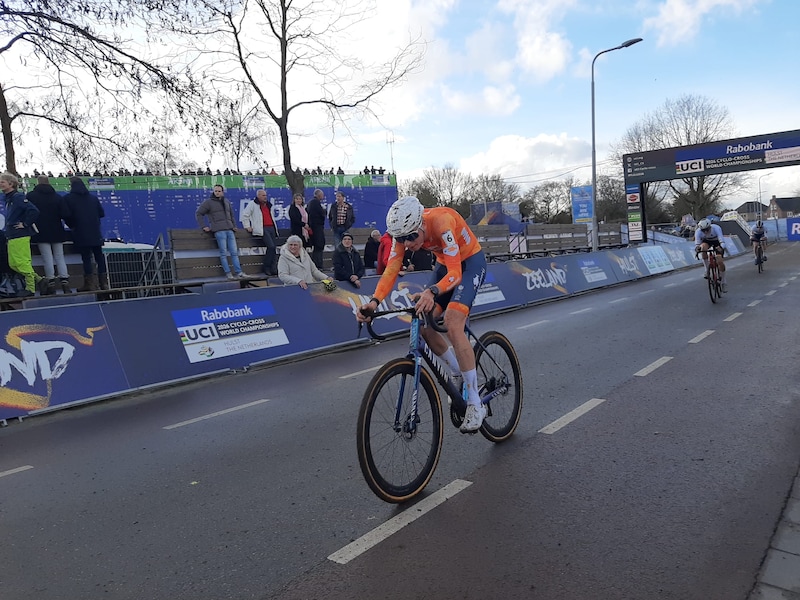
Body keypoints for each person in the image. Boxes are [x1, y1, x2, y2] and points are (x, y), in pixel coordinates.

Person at [356, 196, 488, 433]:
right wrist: (373, 303)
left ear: (422, 225)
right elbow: (391, 270)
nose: (407, 244)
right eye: (401, 240)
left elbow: (456, 273)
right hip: (444, 264)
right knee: (424, 323)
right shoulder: (403, 232)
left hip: (469, 263)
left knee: (452, 321)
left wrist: (432, 291)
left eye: (411, 238)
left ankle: (476, 403)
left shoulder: (441, 221)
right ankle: (456, 369)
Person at [27, 175, 72, 294]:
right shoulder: (57, 197)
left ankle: (50, 283)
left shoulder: (31, 196)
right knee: (59, 256)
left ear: (37, 183)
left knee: (47, 258)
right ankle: (65, 282)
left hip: (40, 231)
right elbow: (65, 214)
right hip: (57, 230)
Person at [195, 184, 249, 280]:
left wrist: (234, 226)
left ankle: (239, 272)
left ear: (222, 192)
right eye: (215, 191)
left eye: (219, 191)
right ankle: (228, 273)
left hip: (229, 229)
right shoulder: (208, 202)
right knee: (223, 253)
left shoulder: (226, 201)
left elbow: (231, 215)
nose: (217, 193)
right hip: (219, 230)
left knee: (234, 252)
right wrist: (204, 226)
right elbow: (198, 213)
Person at [63, 176, 108, 291]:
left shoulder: (68, 199)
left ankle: (90, 284)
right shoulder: (93, 198)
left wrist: (72, 225)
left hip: (80, 232)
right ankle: (104, 283)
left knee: (86, 258)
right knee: (99, 257)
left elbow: (66, 215)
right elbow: (101, 213)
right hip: (95, 232)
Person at [0, 171, 41, 296]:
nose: (0, 184)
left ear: (11, 184)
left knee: (21, 262)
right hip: (12, 234)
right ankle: (40, 280)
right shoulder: (9, 198)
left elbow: (34, 211)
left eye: (2, 182)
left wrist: (25, 223)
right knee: (13, 263)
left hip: (20, 235)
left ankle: (31, 288)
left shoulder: (17, 197)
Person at [241, 189, 278, 276]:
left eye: (265, 195)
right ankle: (266, 267)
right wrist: (247, 226)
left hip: (271, 227)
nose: (265, 197)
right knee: (271, 247)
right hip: (262, 228)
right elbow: (245, 215)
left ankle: (273, 268)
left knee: (274, 249)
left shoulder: (268, 205)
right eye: (263, 195)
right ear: (258, 196)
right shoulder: (253, 204)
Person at [694, 218, 728, 293]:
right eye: (703, 230)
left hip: (717, 242)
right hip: (706, 242)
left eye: (707, 229)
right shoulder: (698, 232)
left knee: (720, 261)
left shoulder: (716, 228)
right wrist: (697, 249)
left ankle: (723, 282)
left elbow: (722, 241)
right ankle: (707, 270)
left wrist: (721, 247)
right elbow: (697, 244)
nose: (705, 232)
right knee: (703, 248)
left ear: (710, 226)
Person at [307, 188, 327, 269]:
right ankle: (318, 265)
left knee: (318, 246)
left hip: (315, 227)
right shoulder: (315, 203)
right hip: (316, 227)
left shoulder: (311, 203)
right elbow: (321, 213)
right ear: (319, 195)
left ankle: (318, 264)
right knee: (319, 245)